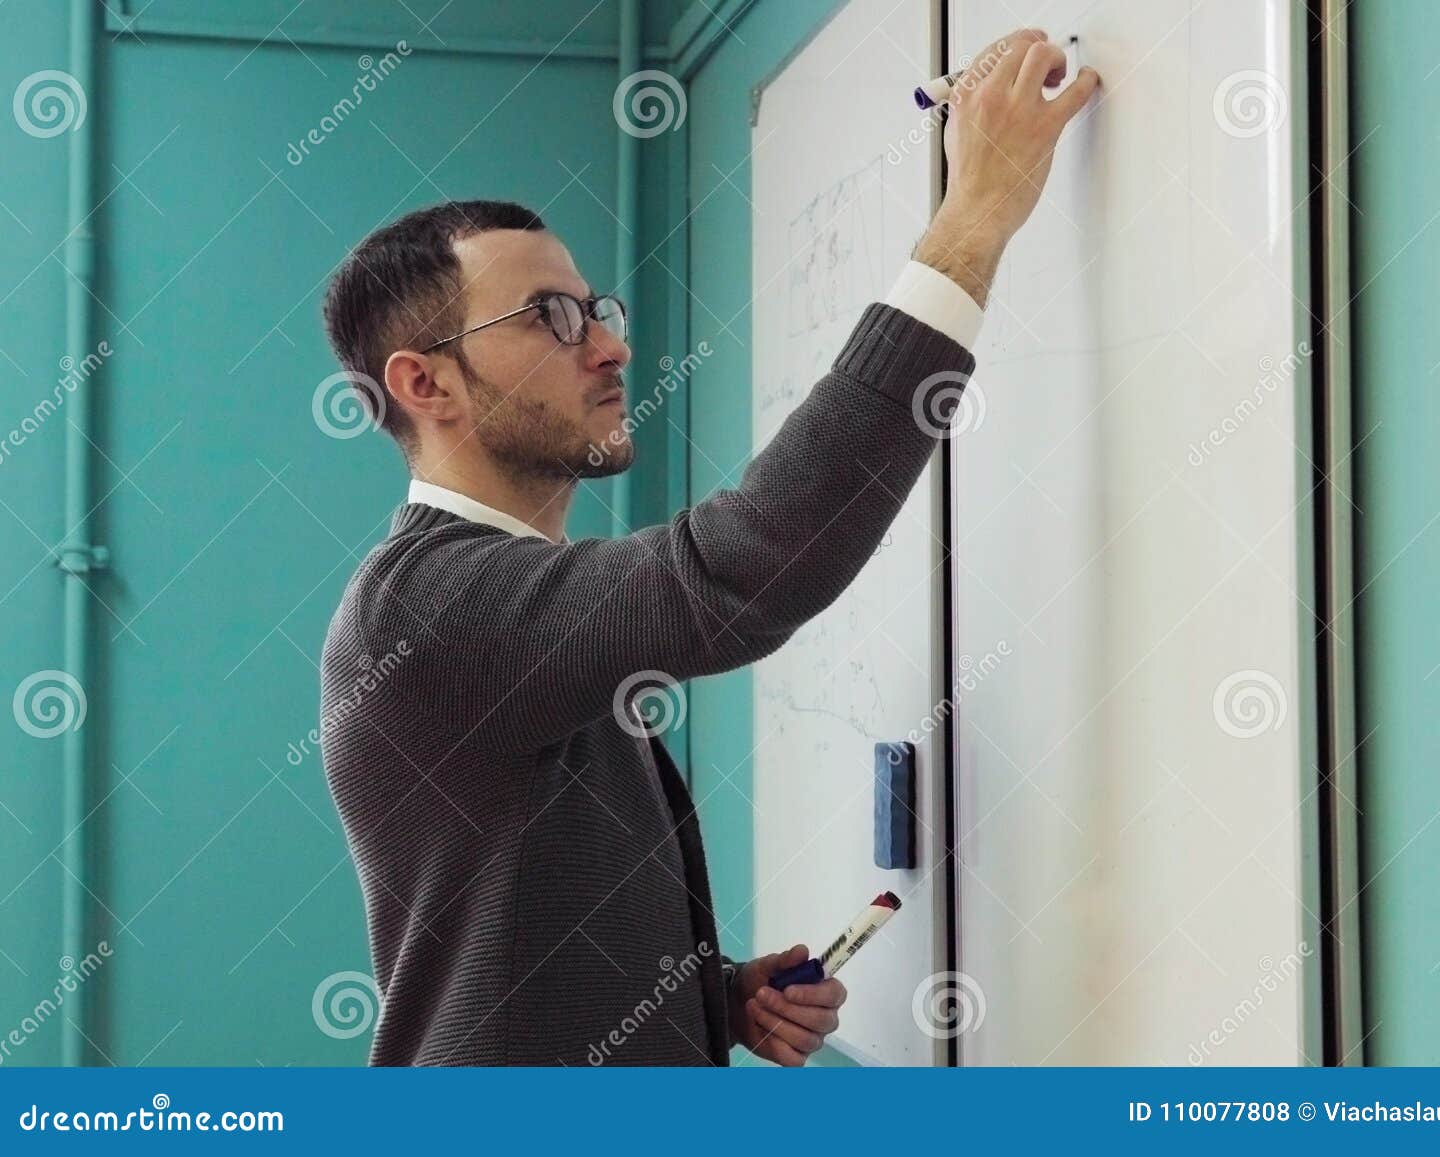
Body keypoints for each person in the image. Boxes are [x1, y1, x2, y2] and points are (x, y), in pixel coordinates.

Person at [317, 28, 1098, 1066]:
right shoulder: (426, 606)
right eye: (551, 316)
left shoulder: (495, 598)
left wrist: (709, 997)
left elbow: (516, 922)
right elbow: (749, 563)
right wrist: (973, 219)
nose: (611, 343)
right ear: (425, 384)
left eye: (597, 308)